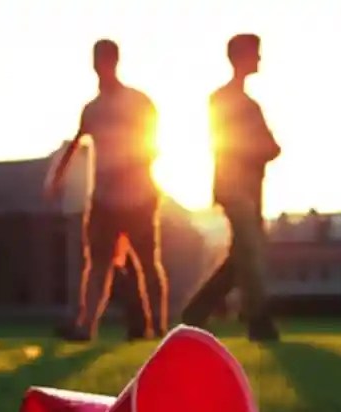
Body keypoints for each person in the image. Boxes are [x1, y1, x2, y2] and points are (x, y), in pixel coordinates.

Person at [45, 39, 167, 342]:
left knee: (147, 263)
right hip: (103, 201)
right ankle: (85, 327)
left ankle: (161, 329)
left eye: (105, 59)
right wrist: (56, 178)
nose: (101, 66)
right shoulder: (92, 109)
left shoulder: (139, 102)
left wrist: (133, 166)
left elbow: (154, 143)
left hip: (139, 198)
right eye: (97, 60)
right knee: (97, 264)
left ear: (115, 61)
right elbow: (76, 142)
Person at [180, 33, 281, 342]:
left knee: (240, 257)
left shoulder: (246, 103)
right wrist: (258, 148)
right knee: (249, 253)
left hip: (248, 188)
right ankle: (258, 319)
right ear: (241, 57)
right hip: (235, 187)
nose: (260, 59)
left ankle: (195, 313)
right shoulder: (225, 100)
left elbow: (269, 146)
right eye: (256, 53)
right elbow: (246, 145)